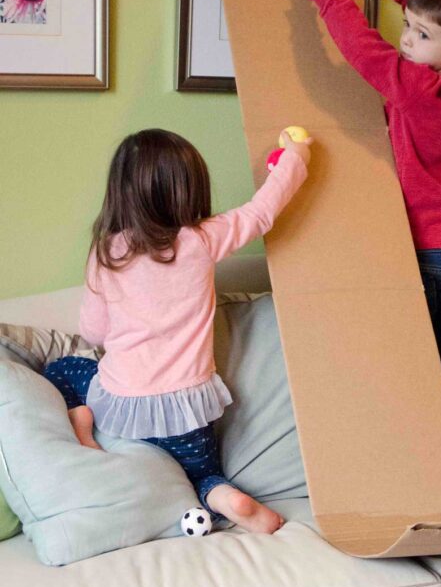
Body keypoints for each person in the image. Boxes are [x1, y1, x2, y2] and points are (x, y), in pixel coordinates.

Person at [295, 0, 441, 489]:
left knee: (417, 363)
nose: (406, 39)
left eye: (420, 35)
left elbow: (361, 48)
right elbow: (431, 12)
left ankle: (429, 474)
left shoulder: (415, 88)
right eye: (408, 26)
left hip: (430, 256)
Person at [44, 127, 311, 533]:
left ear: (121, 191)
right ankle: (221, 496)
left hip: (120, 408)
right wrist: (297, 155)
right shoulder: (201, 240)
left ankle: (82, 420)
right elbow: (261, 213)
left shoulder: (106, 254)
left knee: (63, 369)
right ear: (189, 188)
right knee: (201, 475)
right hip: (187, 410)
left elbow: (93, 332)